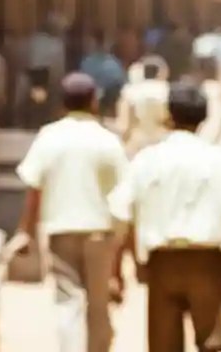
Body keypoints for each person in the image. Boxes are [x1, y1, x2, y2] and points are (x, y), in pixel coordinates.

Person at [109, 83, 221, 352]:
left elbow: (123, 216)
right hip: (207, 262)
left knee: (163, 346)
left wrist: (126, 265)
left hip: (163, 263)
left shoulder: (147, 159)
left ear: (169, 115)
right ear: (205, 117)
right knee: (211, 343)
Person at [13, 72, 130, 352]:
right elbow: (123, 197)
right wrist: (121, 247)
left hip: (61, 231)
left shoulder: (49, 136)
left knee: (68, 302)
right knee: (98, 305)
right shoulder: (108, 141)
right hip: (100, 234)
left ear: (62, 103)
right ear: (93, 102)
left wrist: (25, 229)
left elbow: (34, 189)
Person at [120, 55, 171, 157]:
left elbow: (125, 126)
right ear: (160, 73)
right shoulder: (167, 91)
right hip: (162, 143)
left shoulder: (130, 91)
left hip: (138, 145)